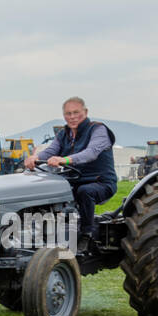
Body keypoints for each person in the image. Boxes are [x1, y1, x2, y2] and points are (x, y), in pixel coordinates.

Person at [25, 96, 116, 245]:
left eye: (76, 112)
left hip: (100, 182)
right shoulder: (64, 134)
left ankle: (87, 235)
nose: (72, 117)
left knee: (85, 191)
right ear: (64, 115)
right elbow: (50, 151)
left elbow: (91, 153)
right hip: (74, 181)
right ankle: (43, 232)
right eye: (68, 113)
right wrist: (34, 157)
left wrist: (65, 159)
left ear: (85, 112)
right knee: (47, 190)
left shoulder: (98, 130)